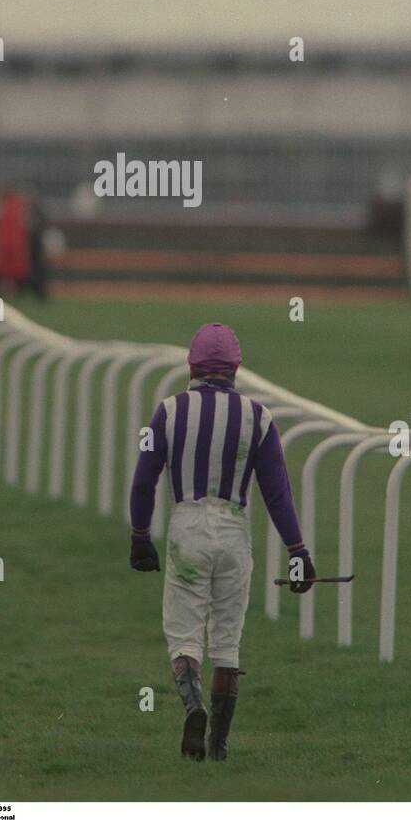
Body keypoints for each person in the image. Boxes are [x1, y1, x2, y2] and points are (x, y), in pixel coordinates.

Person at [128, 322, 315, 763]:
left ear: (191, 365)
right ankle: (220, 744)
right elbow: (277, 493)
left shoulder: (169, 411)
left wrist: (140, 536)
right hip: (234, 532)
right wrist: (298, 552)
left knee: (185, 637)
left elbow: (143, 481)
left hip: (186, 530)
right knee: (226, 643)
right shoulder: (259, 417)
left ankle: (194, 707)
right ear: (236, 368)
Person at [0, 187, 30, 297]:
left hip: (9, 247)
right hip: (12, 246)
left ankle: (7, 293)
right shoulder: (15, 206)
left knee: (6, 272)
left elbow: (7, 231)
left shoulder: (8, 207)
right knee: (10, 272)